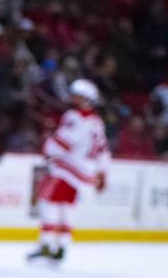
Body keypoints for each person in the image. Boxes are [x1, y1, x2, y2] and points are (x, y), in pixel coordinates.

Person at [28, 78, 109, 264]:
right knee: (67, 206)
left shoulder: (75, 116)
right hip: (84, 170)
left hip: (66, 168)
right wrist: (102, 170)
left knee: (49, 202)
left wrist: (48, 149)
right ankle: (63, 246)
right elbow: (102, 148)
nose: (73, 99)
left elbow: (64, 141)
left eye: (78, 96)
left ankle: (46, 245)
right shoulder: (96, 121)